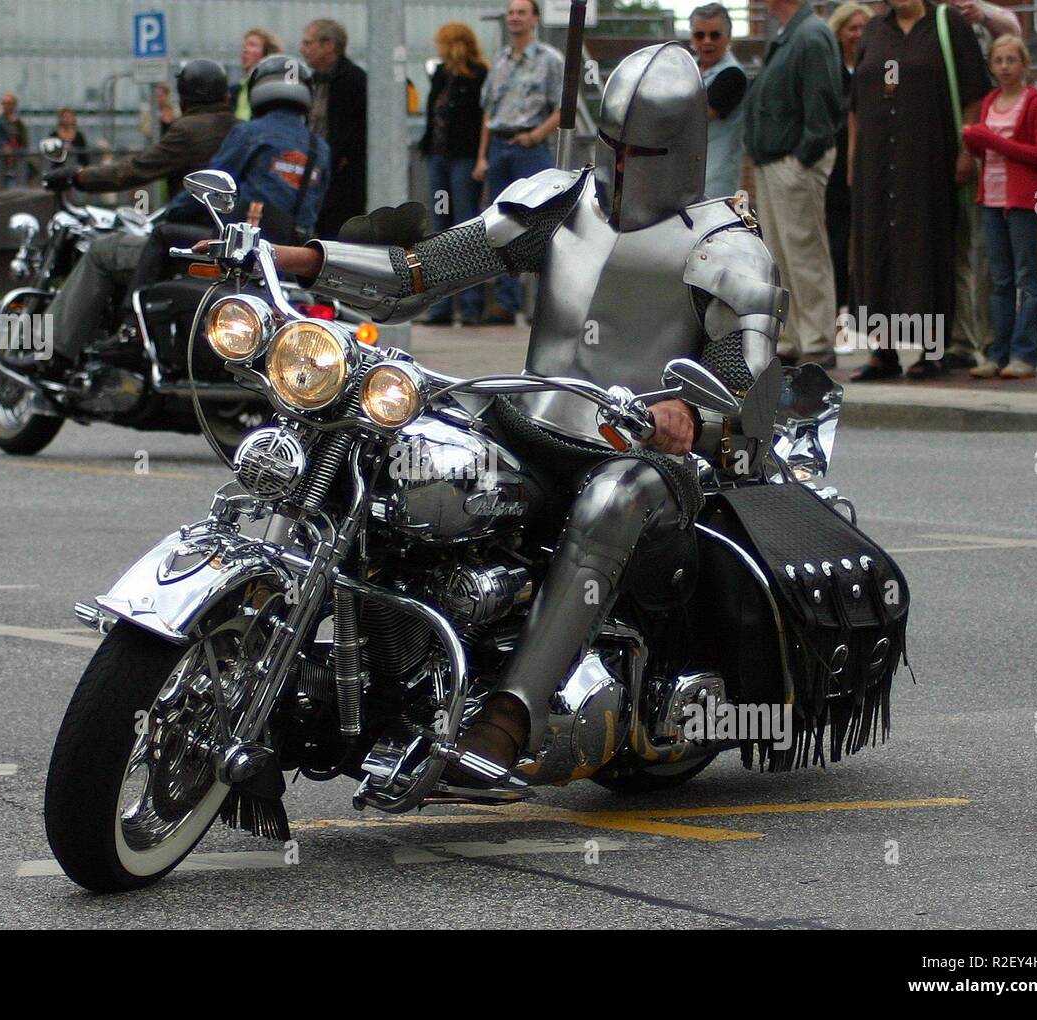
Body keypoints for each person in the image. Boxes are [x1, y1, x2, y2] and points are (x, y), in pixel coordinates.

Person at [249, 43, 785, 773]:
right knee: (401, 459)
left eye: (644, 152)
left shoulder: (727, 249)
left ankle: (508, 722)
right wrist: (307, 258)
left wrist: (695, 413)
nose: (623, 166)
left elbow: (749, 388)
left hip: (649, 458)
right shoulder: (559, 203)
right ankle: (379, 676)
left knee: (610, 501)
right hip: (528, 426)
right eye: (614, 146)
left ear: (682, 147)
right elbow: (422, 270)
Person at [39, 59, 235, 370]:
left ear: (184, 99)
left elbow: (133, 170)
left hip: (188, 244)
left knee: (102, 252)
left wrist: (79, 176)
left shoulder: (188, 130)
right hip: (229, 244)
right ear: (226, 96)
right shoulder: (240, 128)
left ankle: (52, 352)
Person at [848, 0, 991, 381]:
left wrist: (967, 150)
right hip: (875, 164)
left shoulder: (948, 24)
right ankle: (883, 351)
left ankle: (932, 351)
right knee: (876, 251)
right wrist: (851, 164)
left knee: (928, 249)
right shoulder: (875, 30)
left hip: (929, 160)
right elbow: (855, 107)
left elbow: (975, 94)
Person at [132, 54, 332, 293]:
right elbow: (317, 203)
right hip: (292, 253)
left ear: (257, 90)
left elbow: (215, 179)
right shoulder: (319, 147)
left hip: (242, 247)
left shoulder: (249, 133)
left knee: (162, 235)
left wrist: (173, 212)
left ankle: (131, 320)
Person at [743, 0, 843, 368]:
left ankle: (817, 339)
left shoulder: (811, 34)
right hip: (775, 160)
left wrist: (804, 157)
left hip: (793, 161)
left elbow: (823, 102)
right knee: (782, 255)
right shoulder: (792, 35)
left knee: (804, 251)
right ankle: (794, 337)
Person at [963, 35, 1037, 380]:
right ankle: (997, 353)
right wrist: (974, 141)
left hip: (1023, 200)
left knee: (1026, 278)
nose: (1004, 67)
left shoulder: (1034, 102)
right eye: (998, 61)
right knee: (998, 280)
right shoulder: (990, 100)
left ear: (1024, 64)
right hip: (991, 198)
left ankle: (1025, 354)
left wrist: (991, 139)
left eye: (1011, 60)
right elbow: (987, 150)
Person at [944, 0, 1026, 370]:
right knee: (955, 249)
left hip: (984, 154)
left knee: (987, 254)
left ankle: (993, 341)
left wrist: (982, 14)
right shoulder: (929, 18)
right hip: (943, 148)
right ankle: (959, 338)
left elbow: (1010, 30)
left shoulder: (978, 14)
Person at [472, 0, 564, 324]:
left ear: (535, 19)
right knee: (498, 225)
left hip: (529, 147)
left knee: (539, 223)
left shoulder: (550, 61)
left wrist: (535, 136)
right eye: (511, 12)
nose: (514, 18)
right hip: (499, 145)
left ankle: (543, 305)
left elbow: (562, 108)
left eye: (521, 12)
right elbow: (488, 112)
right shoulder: (499, 61)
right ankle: (504, 303)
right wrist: (482, 156)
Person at [418, 21, 489, 325]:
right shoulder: (442, 74)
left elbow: (483, 117)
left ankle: (471, 306)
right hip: (440, 156)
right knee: (439, 227)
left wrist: (480, 158)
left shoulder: (478, 75)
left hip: (463, 156)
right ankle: (441, 306)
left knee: (466, 226)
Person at [300, 19, 367, 239]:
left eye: (308, 43)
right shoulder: (311, 80)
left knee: (337, 234)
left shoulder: (353, 80)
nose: (303, 50)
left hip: (342, 179)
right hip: (314, 171)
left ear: (329, 45)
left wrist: (342, 157)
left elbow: (359, 129)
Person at [826, 3, 871, 318]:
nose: (857, 35)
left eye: (862, 28)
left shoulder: (877, 68)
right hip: (836, 168)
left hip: (870, 166)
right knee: (837, 242)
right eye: (851, 28)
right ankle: (840, 304)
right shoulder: (830, 71)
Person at [690, 2, 746, 201]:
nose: (706, 41)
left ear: (728, 38)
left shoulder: (733, 75)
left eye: (714, 35)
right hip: (687, 176)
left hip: (715, 181)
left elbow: (695, 115)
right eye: (699, 35)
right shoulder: (691, 70)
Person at [231, 28, 283, 121]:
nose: (245, 50)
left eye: (252, 45)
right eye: (244, 46)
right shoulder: (235, 90)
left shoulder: (275, 90)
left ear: (267, 53)